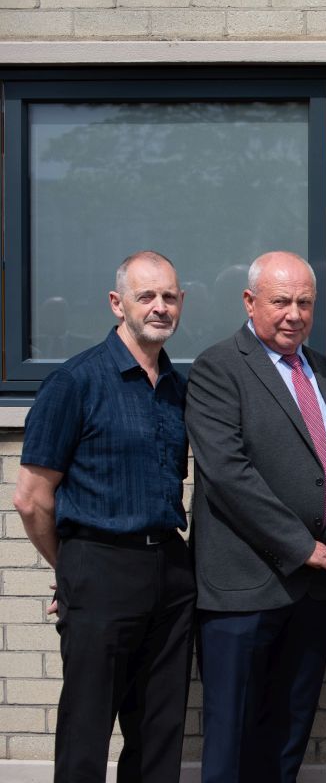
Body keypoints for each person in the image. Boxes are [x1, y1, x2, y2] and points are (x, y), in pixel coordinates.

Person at [13, 251, 193, 783]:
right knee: (87, 725)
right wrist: (70, 568)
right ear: (118, 304)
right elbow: (31, 497)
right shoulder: (75, 383)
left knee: (160, 726)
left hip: (170, 567)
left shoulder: (176, 388)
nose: (159, 307)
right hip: (99, 564)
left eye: (168, 296)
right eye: (146, 296)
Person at [187, 250, 326, 783]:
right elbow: (229, 475)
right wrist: (303, 547)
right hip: (244, 588)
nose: (294, 314)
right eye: (281, 301)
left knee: (288, 736)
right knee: (233, 738)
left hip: (314, 592)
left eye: (304, 303)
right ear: (250, 302)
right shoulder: (218, 367)